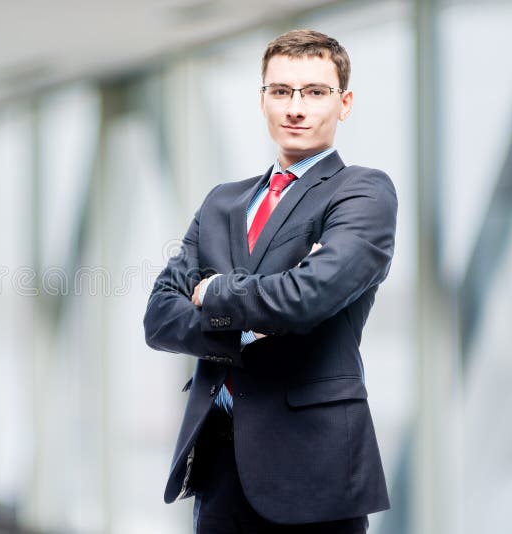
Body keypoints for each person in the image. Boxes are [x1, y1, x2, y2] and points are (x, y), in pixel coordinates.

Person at [143, 29, 397, 533]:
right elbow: (158, 316)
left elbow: (308, 296)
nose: (295, 108)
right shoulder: (223, 203)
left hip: (315, 467)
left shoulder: (362, 193)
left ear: (343, 103)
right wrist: (258, 322)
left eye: (315, 92)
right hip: (218, 464)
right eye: (280, 91)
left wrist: (214, 291)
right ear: (263, 101)